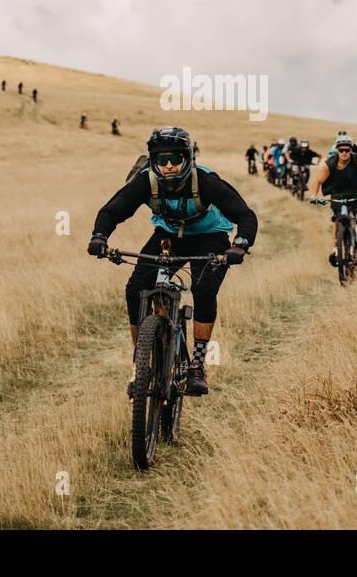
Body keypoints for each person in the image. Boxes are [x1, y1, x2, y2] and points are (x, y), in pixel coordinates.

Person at [88, 127, 257, 397]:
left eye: (175, 159)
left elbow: (245, 215)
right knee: (135, 289)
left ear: (188, 158)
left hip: (209, 237)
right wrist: (99, 237)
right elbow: (112, 211)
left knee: (203, 289)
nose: (168, 166)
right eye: (161, 160)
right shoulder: (146, 181)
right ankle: (140, 363)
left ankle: (197, 366)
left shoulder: (206, 181)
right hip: (168, 236)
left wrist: (240, 244)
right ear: (153, 160)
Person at [310, 132, 357, 261]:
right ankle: (337, 249)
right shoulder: (329, 164)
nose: (344, 153)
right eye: (341, 150)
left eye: (347, 150)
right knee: (337, 221)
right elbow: (317, 181)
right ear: (337, 150)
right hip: (338, 194)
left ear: (351, 149)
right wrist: (314, 195)